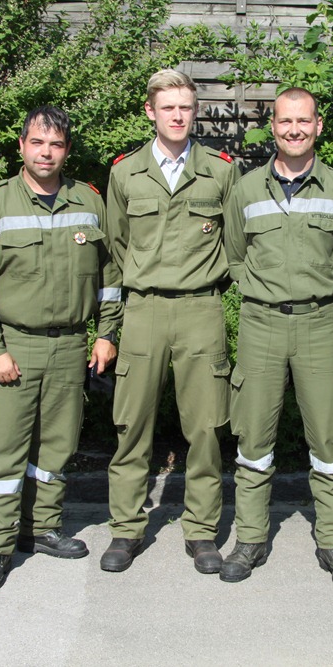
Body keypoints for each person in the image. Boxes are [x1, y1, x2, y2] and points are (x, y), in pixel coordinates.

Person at [0, 106, 121, 591]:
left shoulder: (88, 201)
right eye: (37, 143)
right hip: (14, 345)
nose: (45, 152)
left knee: (57, 445)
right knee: (2, 453)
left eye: (55, 144)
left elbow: (109, 277)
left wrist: (107, 333)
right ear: (21, 146)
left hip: (71, 346)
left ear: (66, 150)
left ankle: (43, 528)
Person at [220, 87, 333, 588]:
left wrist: (318, 293)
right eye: (285, 121)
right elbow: (235, 255)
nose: (294, 129)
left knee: (328, 438)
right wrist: (259, 290)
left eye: (303, 121)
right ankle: (250, 538)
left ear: (318, 125)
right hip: (261, 324)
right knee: (253, 437)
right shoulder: (246, 189)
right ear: (273, 127)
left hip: (320, 324)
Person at [102, 69, 239, 575]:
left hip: (201, 309)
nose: (178, 116)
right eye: (168, 108)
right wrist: (110, 323)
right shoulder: (125, 174)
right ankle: (126, 529)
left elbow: (236, 242)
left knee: (205, 428)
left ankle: (202, 531)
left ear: (195, 111)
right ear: (150, 112)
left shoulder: (221, 172)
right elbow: (115, 252)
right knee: (131, 424)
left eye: (185, 107)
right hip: (143, 310)